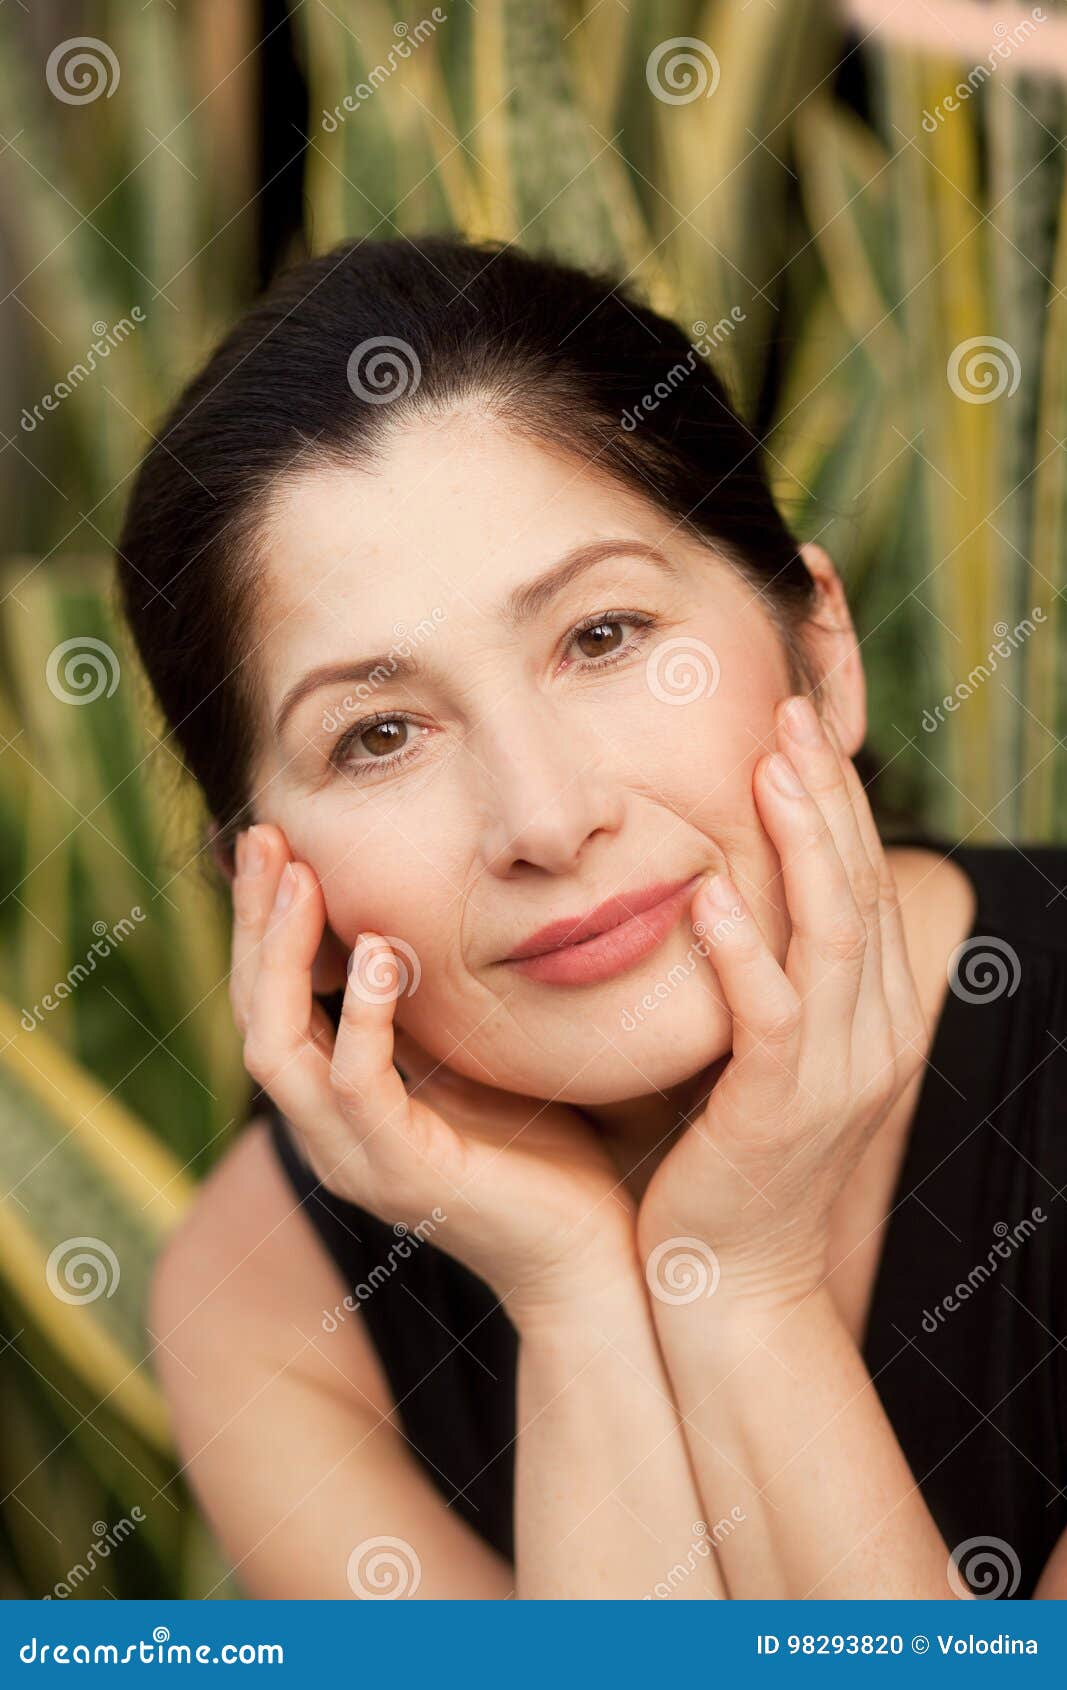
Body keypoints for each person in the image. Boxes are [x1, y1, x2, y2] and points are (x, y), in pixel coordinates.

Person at [119, 234, 1067, 1601]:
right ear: (272, 897)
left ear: (821, 648)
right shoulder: (268, 1294)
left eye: (604, 636)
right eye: (379, 734)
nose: (548, 819)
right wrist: (573, 1296)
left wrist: (740, 1282)